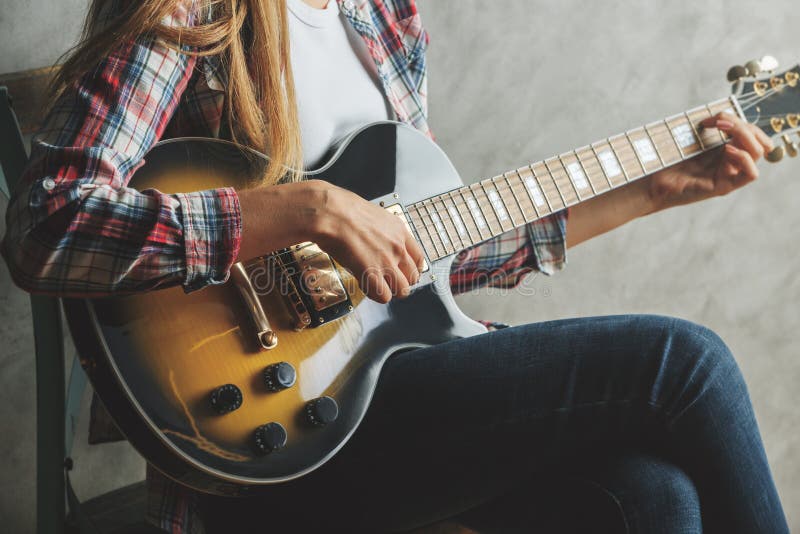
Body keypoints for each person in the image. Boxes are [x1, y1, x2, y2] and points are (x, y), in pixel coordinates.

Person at [1, 0, 789, 532]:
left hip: (406, 383)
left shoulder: (380, 16)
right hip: (262, 443)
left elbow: (416, 263)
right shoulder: (194, 12)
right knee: (685, 364)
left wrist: (653, 190)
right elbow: (51, 223)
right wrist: (307, 210)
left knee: (654, 497)